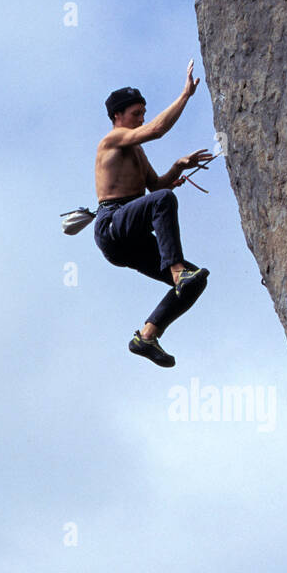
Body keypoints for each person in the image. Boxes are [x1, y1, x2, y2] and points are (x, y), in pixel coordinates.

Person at [93, 61, 213, 367]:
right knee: (163, 202)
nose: (141, 120)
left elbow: (156, 185)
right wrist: (185, 95)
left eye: (143, 114)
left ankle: (146, 337)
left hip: (130, 237)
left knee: (197, 280)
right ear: (117, 117)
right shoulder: (111, 140)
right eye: (136, 114)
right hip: (111, 224)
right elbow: (158, 130)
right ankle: (177, 273)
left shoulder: (136, 151)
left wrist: (178, 167)